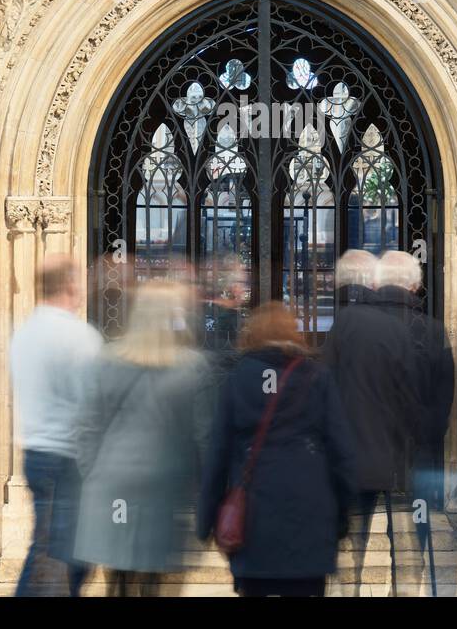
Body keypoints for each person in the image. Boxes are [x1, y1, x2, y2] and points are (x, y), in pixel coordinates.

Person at [197, 304, 357, 597]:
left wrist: (206, 518)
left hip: (254, 515)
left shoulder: (238, 378)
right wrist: (342, 512)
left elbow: (217, 452)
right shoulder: (317, 377)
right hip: (310, 512)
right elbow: (342, 451)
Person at [73, 280, 212, 596]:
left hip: (113, 483)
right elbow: (203, 435)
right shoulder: (192, 366)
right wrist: (205, 489)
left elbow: (87, 428)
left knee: (117, 572)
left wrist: (93, 473)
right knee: (153, 576)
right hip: (163, 486)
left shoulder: (108, 360)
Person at [321, 249, 417, 594]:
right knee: (395, 536)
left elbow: (324, 389)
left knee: (348, 540)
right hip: (385, 458)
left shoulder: (345, 324)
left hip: (345, 456)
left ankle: (349, 590)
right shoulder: (397, 331)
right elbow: (409, 400)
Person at [10, 256, 103, 597]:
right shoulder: (80, 336)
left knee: (52, 548)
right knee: (65, 554)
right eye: (78, 279)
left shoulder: (24, 333)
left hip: (34, 455)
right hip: (68, 460)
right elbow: (94, 405)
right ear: (69, 285)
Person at [372, 250, 454, 595]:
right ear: (415, 285)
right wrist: (432, 432)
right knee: (418, 519)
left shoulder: (364, 326)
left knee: (384, 516)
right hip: (419, 443)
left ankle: (390, 581)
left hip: (378, 441)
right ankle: (409, 583)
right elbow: (445, 391)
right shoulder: (433, 330)